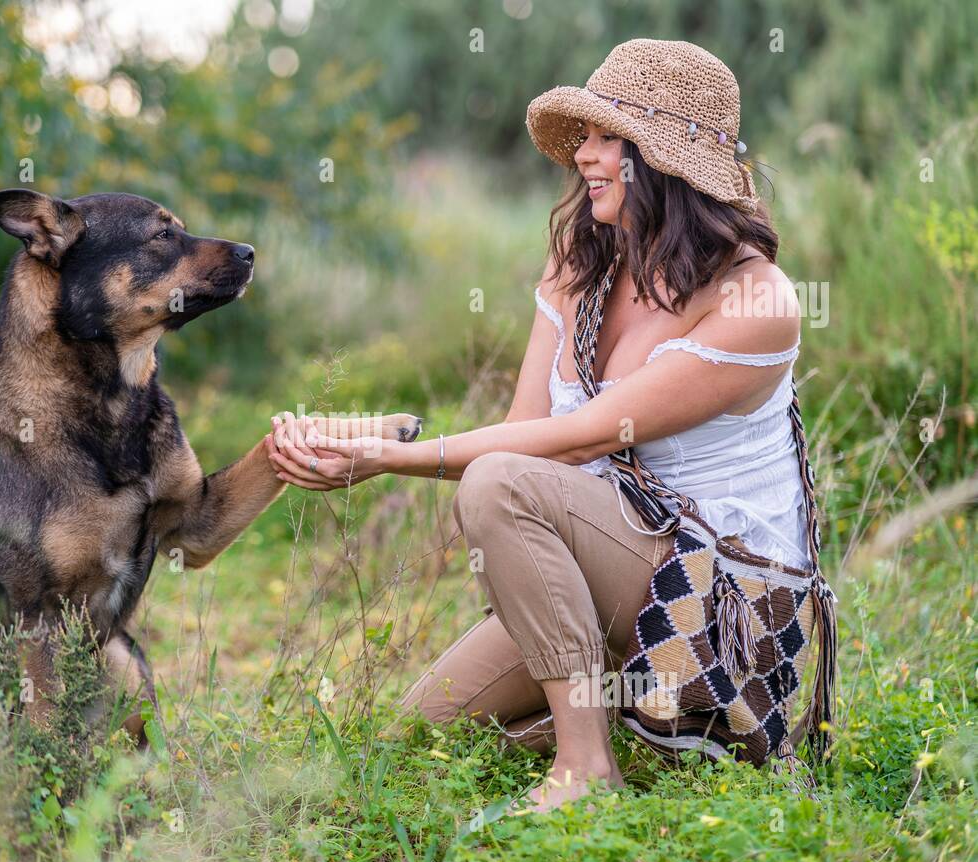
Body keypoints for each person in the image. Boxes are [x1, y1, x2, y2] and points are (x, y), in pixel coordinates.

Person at [265, 39, 814, 812]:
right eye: (583, 138)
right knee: (423, 732)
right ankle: (655, 732)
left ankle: (590, 767)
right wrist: (380, 445)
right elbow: (527, 429)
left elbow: (583, 438)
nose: (583, 155)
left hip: (723, 599)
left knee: (499, 485)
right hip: (625, 566)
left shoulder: (757, 302)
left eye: (605, 137)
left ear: (665, 157)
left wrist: (390, 459)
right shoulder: (580, 269)